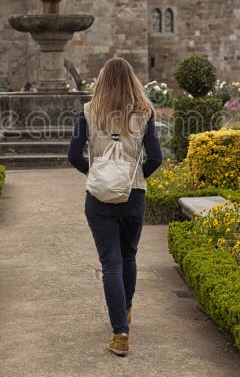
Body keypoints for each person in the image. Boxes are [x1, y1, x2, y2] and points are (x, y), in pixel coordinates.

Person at [67, 57, 163, 356]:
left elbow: (73, 154)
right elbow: (156, 158)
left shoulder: (88, 112)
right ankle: (128, 309)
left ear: (102, 80)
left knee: (110, 263)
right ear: (133, 80)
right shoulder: (145, 113)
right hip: (133, 195)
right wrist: (134, 177)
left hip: (98, 199)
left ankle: (120, 333)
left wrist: (97, 175)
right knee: (129, 256)